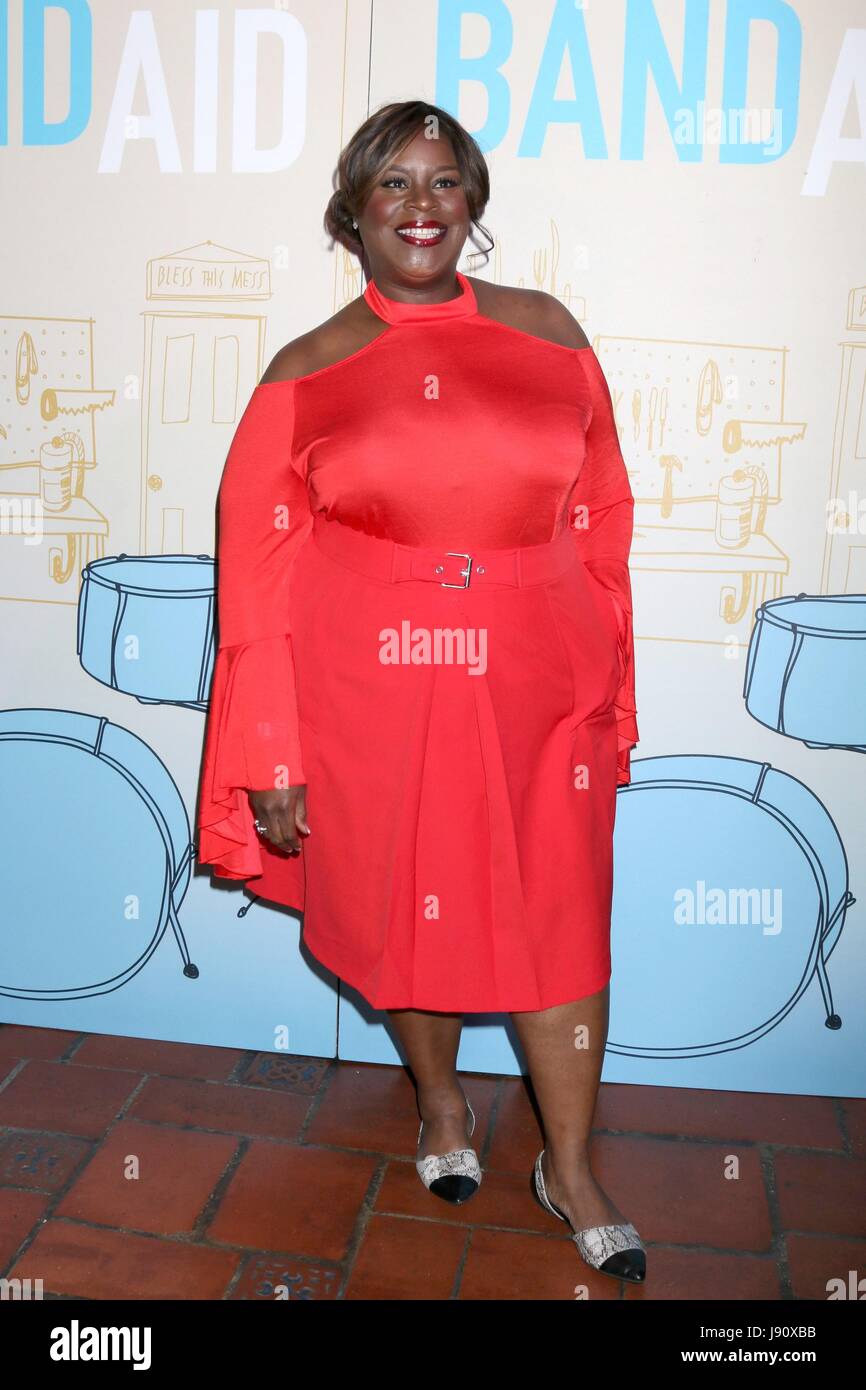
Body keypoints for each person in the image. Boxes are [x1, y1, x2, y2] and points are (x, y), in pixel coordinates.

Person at [197, 100, 644, 1284]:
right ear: (352, 212)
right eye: (392, 184)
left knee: (561, 916)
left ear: (473, 203)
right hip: (372, 694)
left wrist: (611, 690)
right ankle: (441, 1107)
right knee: (409, 909)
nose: (420, 205)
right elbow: (255, 588)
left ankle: (573, 1164)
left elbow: (603, 524)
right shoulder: (305, 369)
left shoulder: (551, 333)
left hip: (541, 690)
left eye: (442, 181)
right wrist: (272, 752)